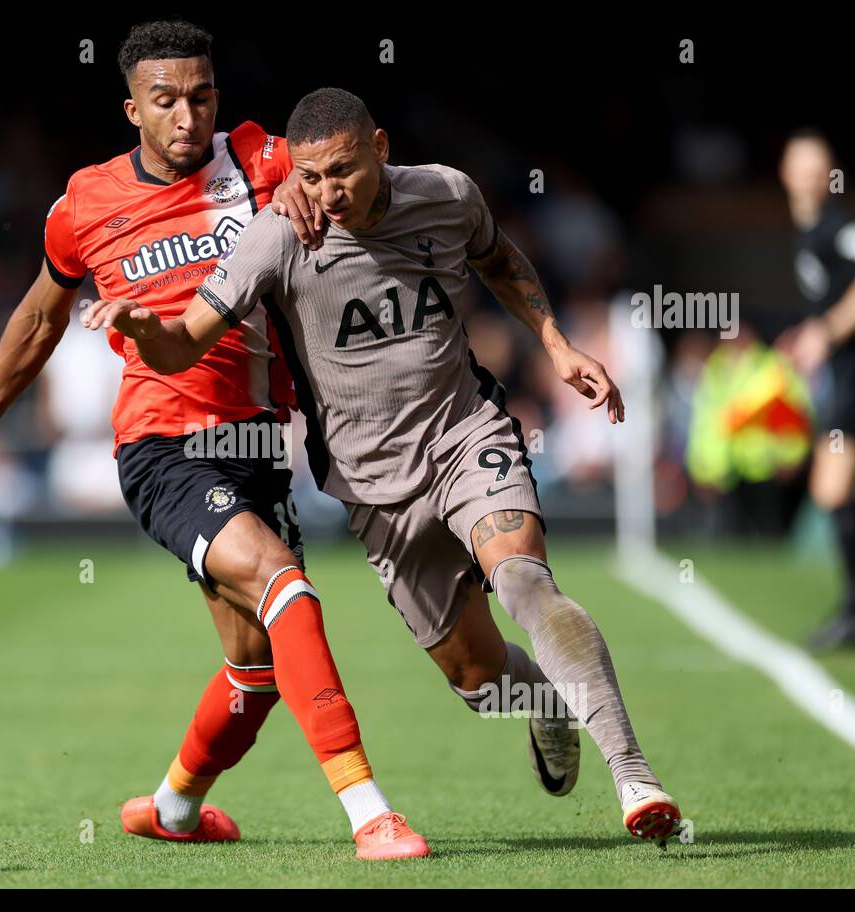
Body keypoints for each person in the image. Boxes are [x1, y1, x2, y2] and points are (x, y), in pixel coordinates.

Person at [85, 87, 682, 844]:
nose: (328, 193)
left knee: (524, 579)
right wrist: (144, 327)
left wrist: (557, 342)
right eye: (309, 177)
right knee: (475, 676)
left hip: (465, 434)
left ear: (381, 146)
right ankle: (543, 702)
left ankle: (635, 776)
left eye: (342, 171)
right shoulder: (276, 238)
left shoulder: (446, 193)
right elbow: (184, 342)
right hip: (375, 490)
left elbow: (498, 256)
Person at [0, 25, 428, 860]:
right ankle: (369, 810)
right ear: (133, 109)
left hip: (263, 443)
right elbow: (38, 318)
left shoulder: (263, 160)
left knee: (258, 671)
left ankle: (173, 806)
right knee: (286, 584)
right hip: (164, 443)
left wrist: (307, 187)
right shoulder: (84, 203)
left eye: (200, 96)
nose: (187, 115)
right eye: (165, 100)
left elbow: (352, 183)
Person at [777, 129, 855, 648]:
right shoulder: (810, 233)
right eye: (800, 165)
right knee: (847, 490)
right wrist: (806, 337)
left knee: (832, 486)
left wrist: (827, 332)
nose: (809, 175)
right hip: (850, 373)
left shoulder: (843, 228)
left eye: (817, 166)